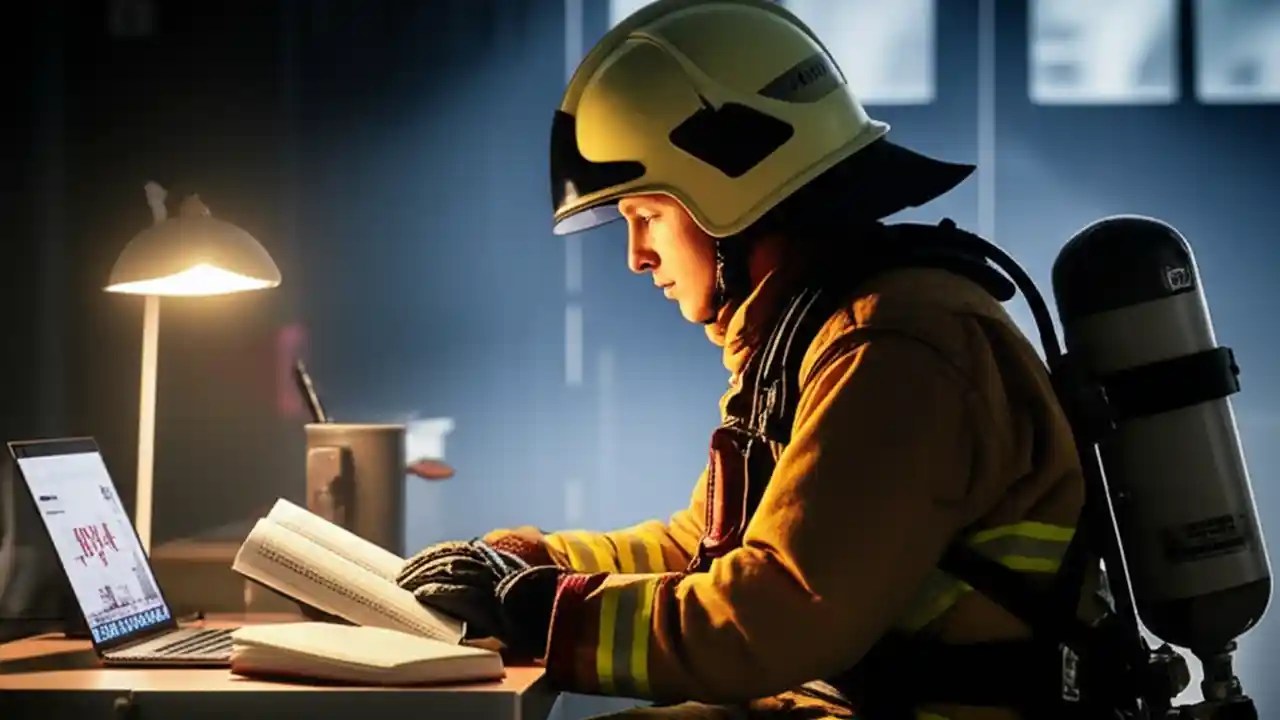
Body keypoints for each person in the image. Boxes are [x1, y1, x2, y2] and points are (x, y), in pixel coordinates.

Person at [396, 1, 1093, 717]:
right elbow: (708, 547)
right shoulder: (816, 336)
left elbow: (775, 613)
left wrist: (540, 615)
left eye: (647, 216)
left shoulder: (896, 353)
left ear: (730, 183)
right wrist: (532, 562)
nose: (637, 257)